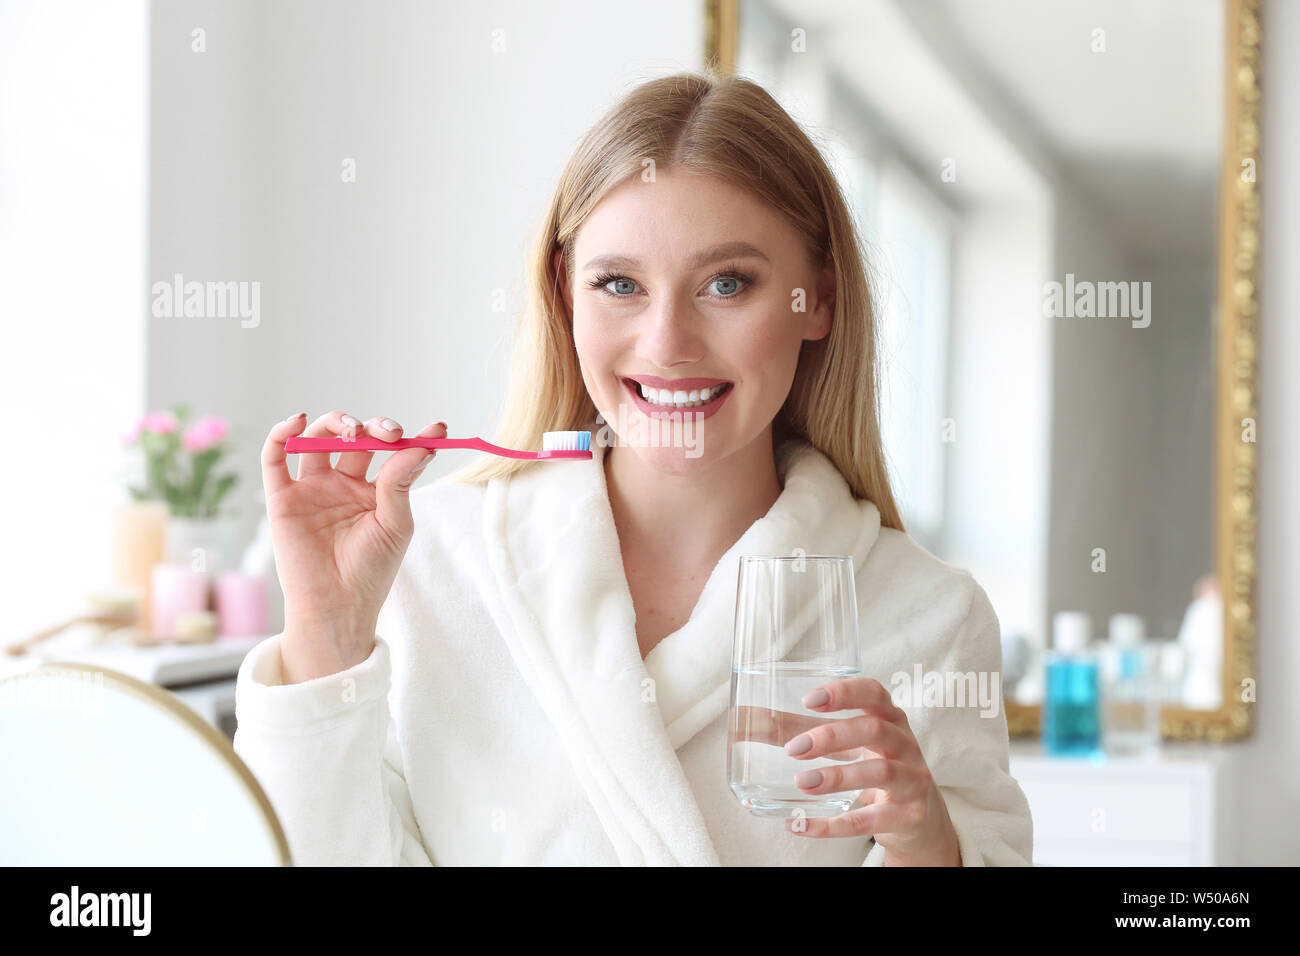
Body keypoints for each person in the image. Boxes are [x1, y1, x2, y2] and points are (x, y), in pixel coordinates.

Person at [233, 71, 1033, 866]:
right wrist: (326, 636)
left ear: (817, 299)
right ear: (564, 294)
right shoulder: (429, 561)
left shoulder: (929, 617)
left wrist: (929, 847)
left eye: (727, 284)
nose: (666, 343)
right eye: (619, 284)